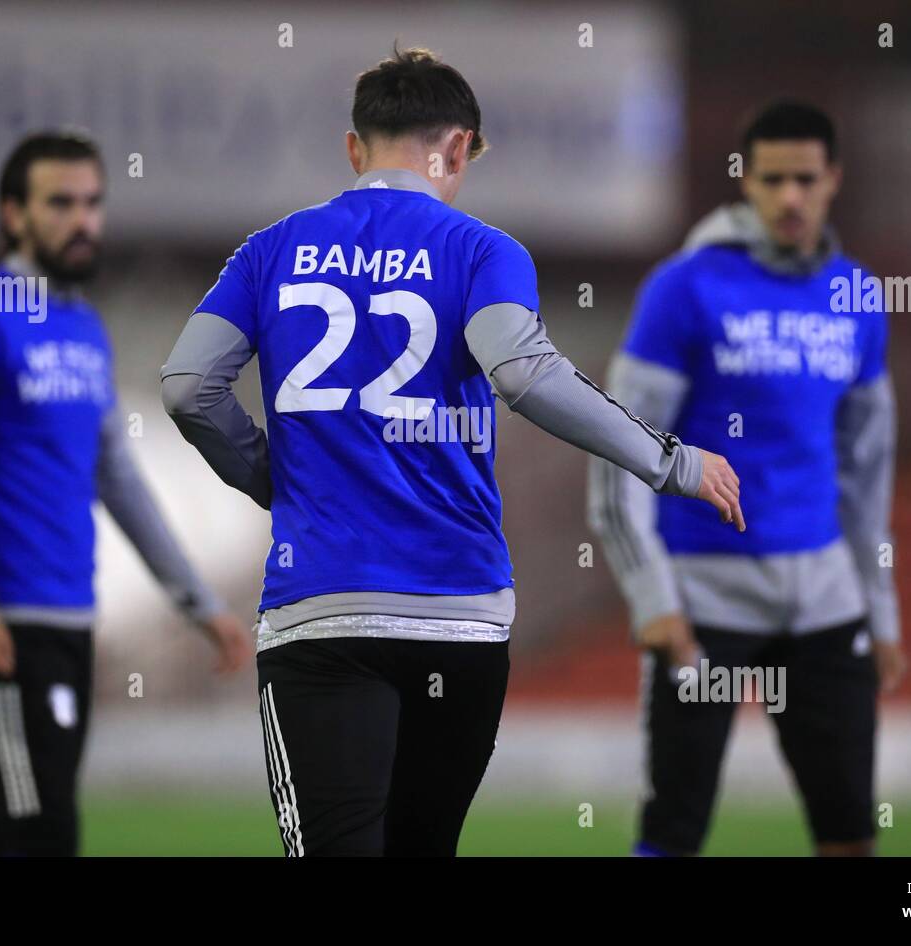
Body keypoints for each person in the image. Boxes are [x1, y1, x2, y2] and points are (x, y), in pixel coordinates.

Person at [160, 47, 742, 857]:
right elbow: (526, 374)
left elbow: (189, 386)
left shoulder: (271, 251)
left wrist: (268, 475)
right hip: (459, 620)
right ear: (459, 147)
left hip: (322, 613)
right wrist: (672, 461)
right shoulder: (482, 251)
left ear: (354, 148)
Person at [0, 130, 252, 856]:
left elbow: (117, 478)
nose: (83, 221)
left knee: (51, 826)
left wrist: (198, 602)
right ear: (13, 215)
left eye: (92, 203)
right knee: (26, 823)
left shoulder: (83, 330)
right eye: (61, 203)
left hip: (70, 620)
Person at [587, 101, 905, 857]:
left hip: (826, 605)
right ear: (746, 183)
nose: (790, 197)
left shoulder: (858, 296)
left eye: (805, 178)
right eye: (772, 180)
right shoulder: (684, 289)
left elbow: (867, 471)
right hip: (705, 603)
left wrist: (881, 611)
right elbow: (616, 445)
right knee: (673, 835)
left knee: (851, 833)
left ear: (833, 180)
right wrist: (651, 597)